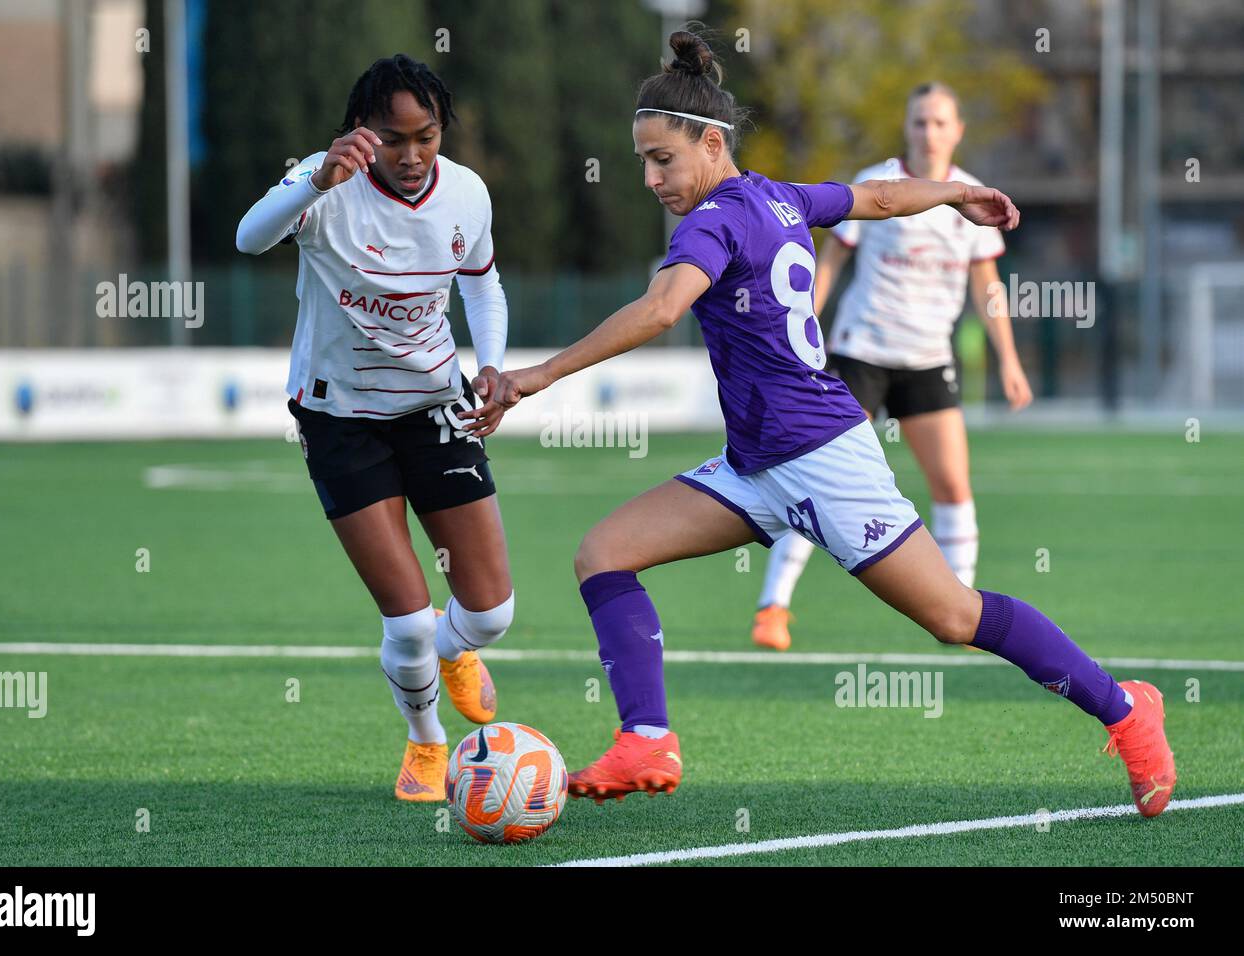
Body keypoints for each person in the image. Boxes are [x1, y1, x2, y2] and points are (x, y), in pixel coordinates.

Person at [466, 32, 1175, 818]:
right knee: (603, 554)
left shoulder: (710, 223)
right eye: (641, 161)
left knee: (953, 615)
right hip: (756, 464)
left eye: (662, 159)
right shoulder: (779, 196)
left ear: (711, 142)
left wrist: (532, 378)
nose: (650, 177)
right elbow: (872, 200)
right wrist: (951, 195)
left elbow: (662, 308)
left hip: (825, 458)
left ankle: (1127, 712)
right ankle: (647, 738)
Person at [236, 54, 515, 802]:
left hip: (434, 407)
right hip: (339, 421)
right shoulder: (323, 184)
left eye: (427, 136)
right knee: (411, 622)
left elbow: (483, 285)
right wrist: (316, 179)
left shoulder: (466, 193)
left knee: (490, 612)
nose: (414, 154)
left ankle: (457, 654)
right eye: (395, 139)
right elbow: (248, 238)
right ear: (361, 134)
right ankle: (427, 746)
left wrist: (490, 364)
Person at [752, 81, 1033, 653]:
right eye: (919, 122)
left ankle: (964, 611)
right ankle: (773, 606)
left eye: (939, 122)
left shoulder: (973, 195)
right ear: (908, 129)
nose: (928, 131)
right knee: (818, 480)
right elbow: (828, 262)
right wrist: (797, 331)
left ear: (957, 131)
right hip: (862, 354)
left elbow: (988, 288)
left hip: (928, 361)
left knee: (953, 485)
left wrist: (1010, 359)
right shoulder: (880, 183)